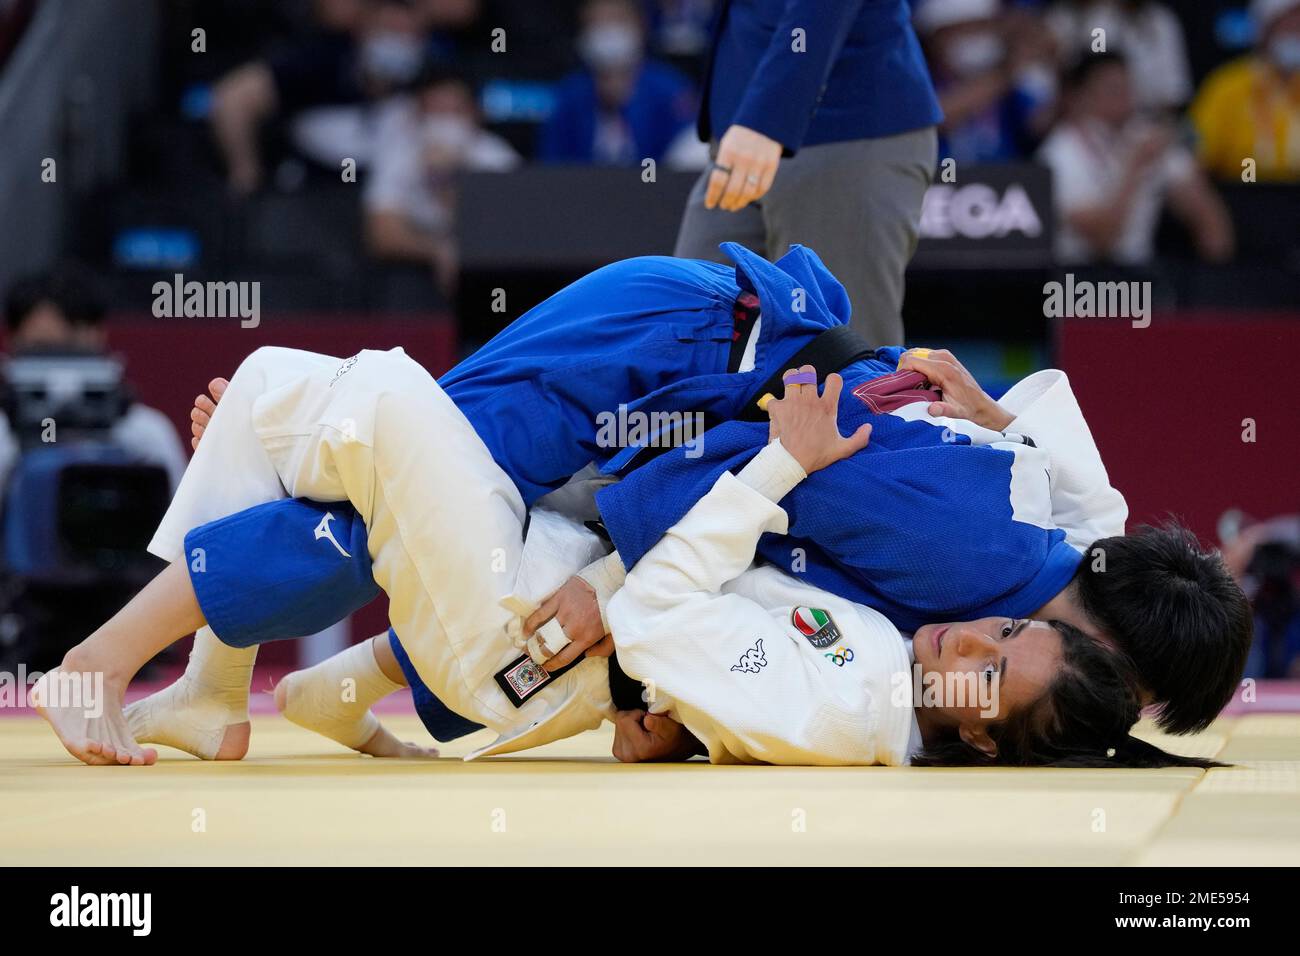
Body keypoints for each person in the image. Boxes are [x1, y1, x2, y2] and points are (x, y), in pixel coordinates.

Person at [161, 243, 1250, 757]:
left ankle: (286, 475)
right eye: (1131, 689)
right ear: (1113, 641)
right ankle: (199, 604)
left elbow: (1060, 430)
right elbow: (736, 465)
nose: (1107, 707)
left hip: (720, 388)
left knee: (453, 521)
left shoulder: (1068, 552)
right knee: (391, 456)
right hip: (680, 349)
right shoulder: (972, 556)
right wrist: (611, 577)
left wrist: (992, 414)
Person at [32, 346, 1206, 771]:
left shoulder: (866, 701)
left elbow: (689, 628)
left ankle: (104, 661)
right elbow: (1087, 500)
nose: (978, 639)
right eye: (1011, 634)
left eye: (997, 666)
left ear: (996, 732)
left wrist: (778, 470)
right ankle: (212, 686)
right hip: (579, 612)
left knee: (369, 398)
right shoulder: (957, 623)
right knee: (300, 403)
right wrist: (997, 417)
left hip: (539, 646)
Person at [672, 0, 942, 345]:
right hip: (742, 129)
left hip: (844, 130)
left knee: (840, 358)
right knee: (693, 329)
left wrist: (766, 122)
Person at [1037, 52, 1235, 266]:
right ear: (1079, 97)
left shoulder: (1146, 138)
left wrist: (1212, 279)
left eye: (1127, 88)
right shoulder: (1058, 154)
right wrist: (1134, 168)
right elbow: (1103, 240)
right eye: (1112, 90)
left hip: (1141, 277)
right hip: (1079, 280)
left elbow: (1208, 220)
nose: (1124, 99)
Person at [0, 270, 188, 489]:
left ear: (98, 336)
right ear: (14, 340)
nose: (62, 360)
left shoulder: (146, 434)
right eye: (43, 346)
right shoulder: (3, 436)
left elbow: (181, 519)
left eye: (72, 346)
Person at [363, 63, 520, 296]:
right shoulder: (398, 154)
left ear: (476, 113)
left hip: (487, 271)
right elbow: (382, 236)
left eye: (455, 112)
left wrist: (444, 180)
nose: (446, 122)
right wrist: (439, 250)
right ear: (417, 115)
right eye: (436, 112)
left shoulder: (498, 158)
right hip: (417, 268)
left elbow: (511, 235)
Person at [539, 0, 696, 166]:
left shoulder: (671, 90)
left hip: (657, 188)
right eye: (596, 23)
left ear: (640, 25)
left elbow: (687, 153)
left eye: (615, 20)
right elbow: (551, 161)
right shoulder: (570, 94)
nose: (607, 32)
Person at [917, 0, 1058, 165]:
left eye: (987, 27)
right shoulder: (920, 79)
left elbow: (1040, 125)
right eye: (966, 29)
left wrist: (1056, 66)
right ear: (935, 36)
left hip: (1003, 184)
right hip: (940, 185)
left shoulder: (1010, 88)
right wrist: (1008, 71)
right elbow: (937, 118)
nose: (978, 37)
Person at [1190, 0, 1300, 183]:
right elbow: (1195, 157)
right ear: (1266, 31)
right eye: (1288, 25)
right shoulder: (1227, 86)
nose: (1296, 33)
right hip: (1245, 192)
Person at [1046, 0, 1193, 114]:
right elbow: (1097, 69)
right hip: (1104, 119)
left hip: (1151, 118)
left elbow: (1175, 90)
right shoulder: (1099, 24)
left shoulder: (1161, 21)